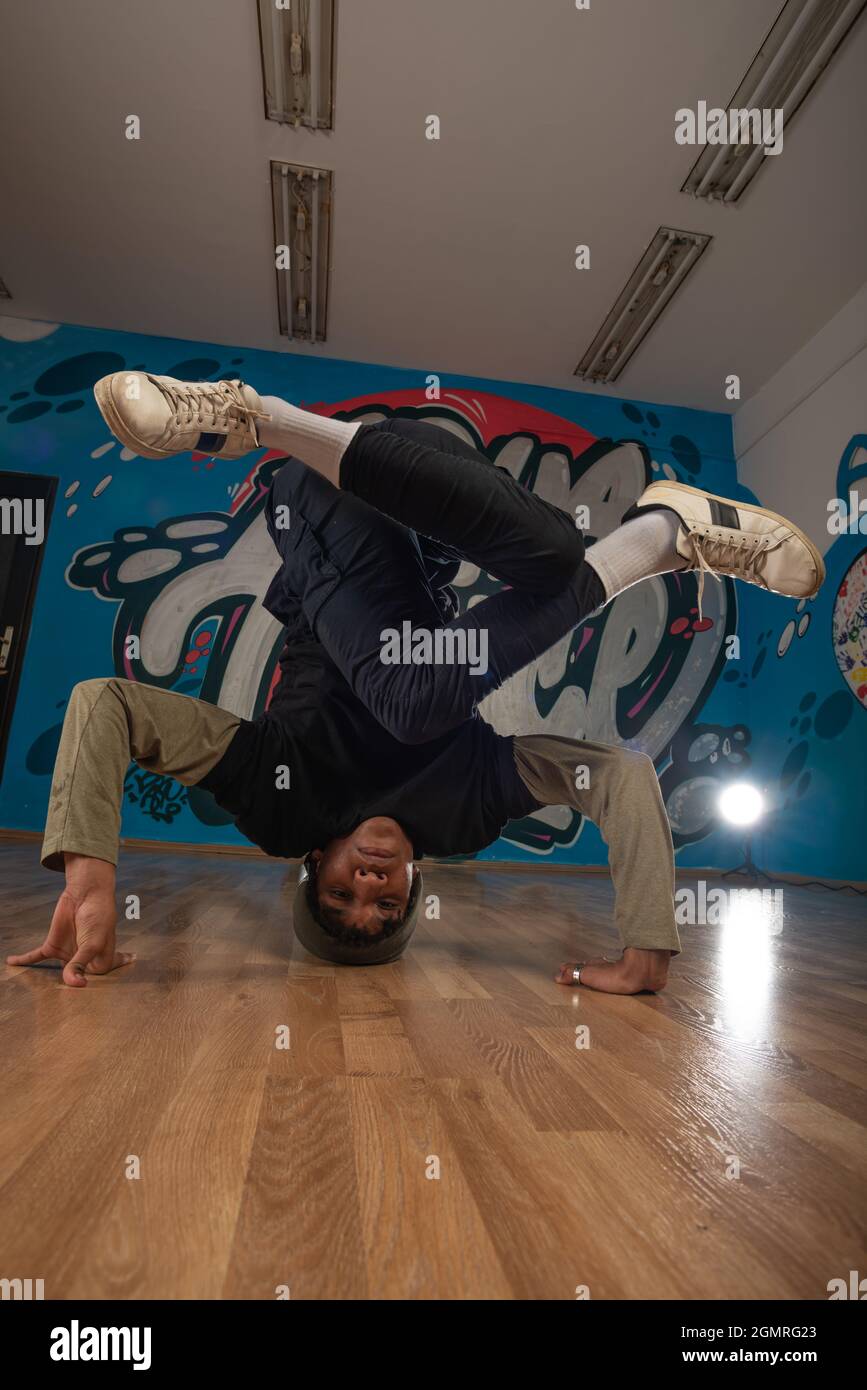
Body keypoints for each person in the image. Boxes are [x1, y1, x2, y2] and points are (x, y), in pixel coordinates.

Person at [6, 373, 824, 995]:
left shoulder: (278, 804)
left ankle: (248, 417)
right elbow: (615, 775)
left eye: (340, 899)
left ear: (312, 861)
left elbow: (104, 705)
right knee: (553, 565)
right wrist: (649, 938)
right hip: (424, 485)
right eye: (388, 910)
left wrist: (91, 877)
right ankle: (665, 527)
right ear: (413, 888)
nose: (369, 891)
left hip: (313, 498)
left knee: (411, 703)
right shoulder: (460, 813)